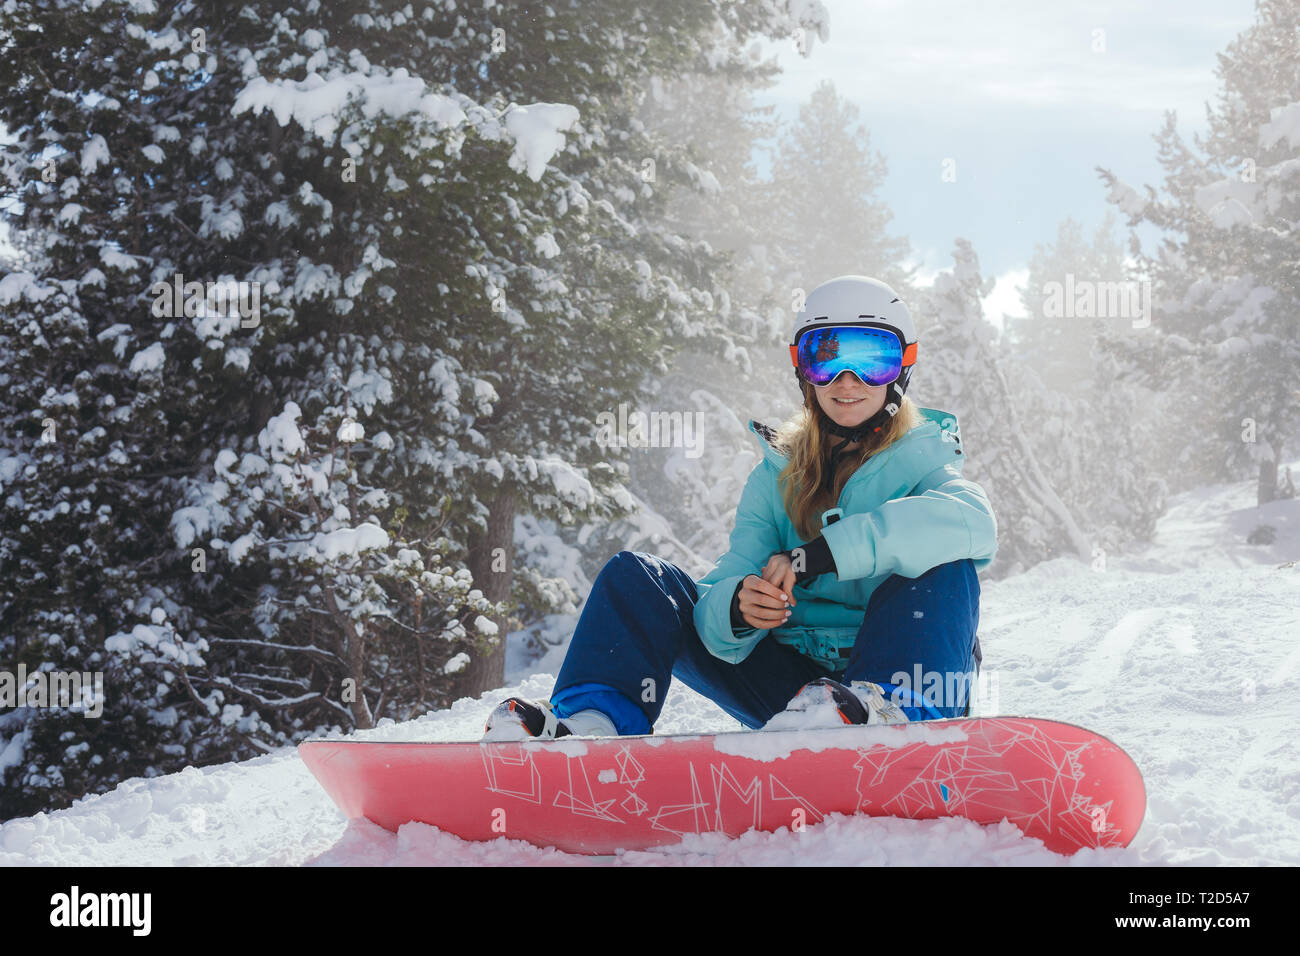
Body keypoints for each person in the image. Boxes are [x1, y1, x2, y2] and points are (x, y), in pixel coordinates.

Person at [484, 275, 998, 740]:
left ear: (900, 370)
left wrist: (825, 554)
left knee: (944, 560)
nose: (847, 379)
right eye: (827, 357)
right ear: (805, 373)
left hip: (899, 679)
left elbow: (973, 523)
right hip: (799, 698)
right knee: (636, 578)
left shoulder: (923, 461)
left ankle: (892, 717)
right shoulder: (777, 478)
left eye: (872, 359)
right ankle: (591, 725)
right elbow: (717, 597)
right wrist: (736, 608)